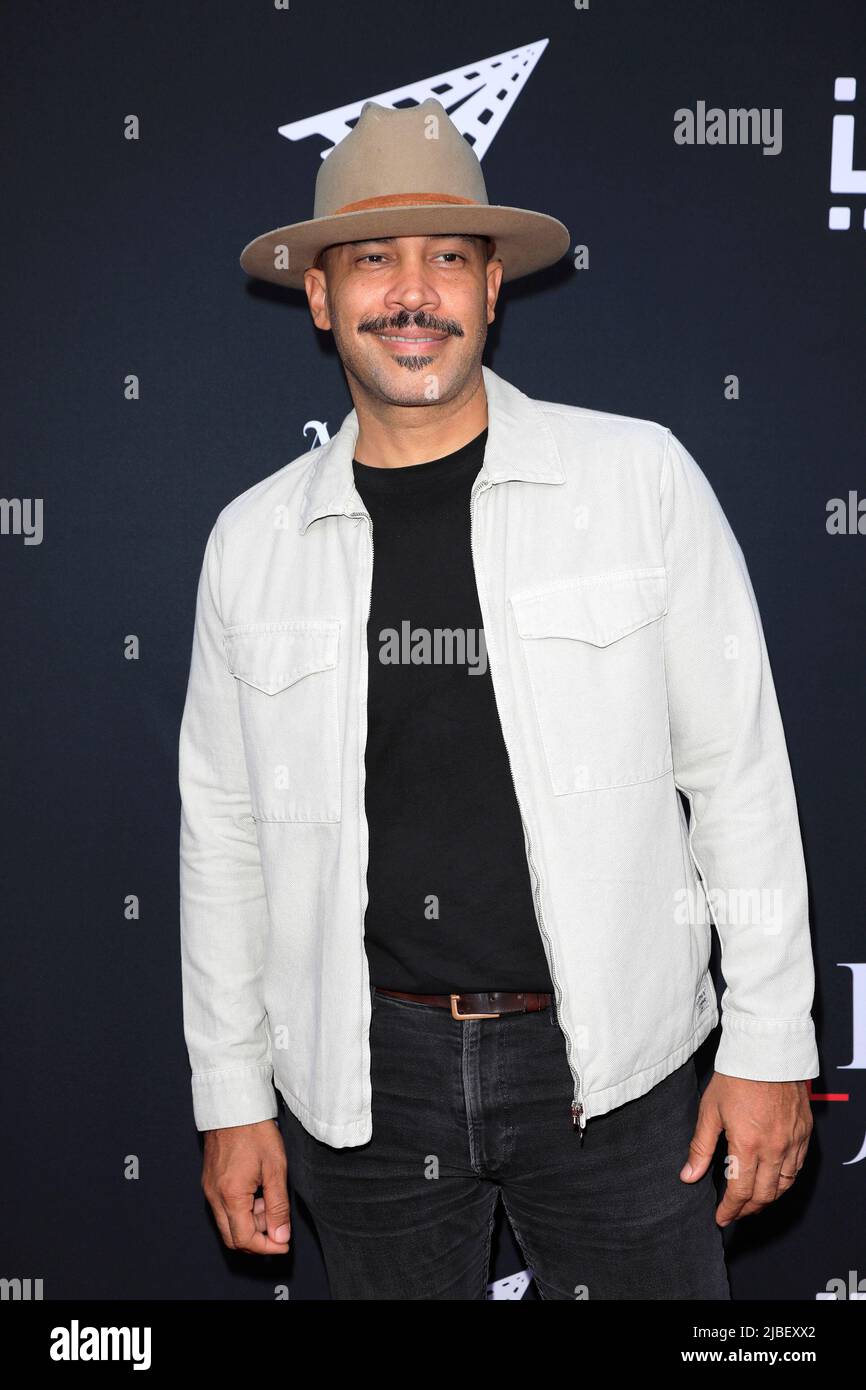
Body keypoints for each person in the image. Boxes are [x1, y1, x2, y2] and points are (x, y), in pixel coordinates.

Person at [178, 98, 819, 1299]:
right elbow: (223, 841)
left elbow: (735, 777)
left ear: (490, 290)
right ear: (319, 296)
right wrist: (230, 1094)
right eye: (371, 259)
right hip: (361, 1080)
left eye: (445, 260)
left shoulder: (638, 480)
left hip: (620, 1073)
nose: (410, 292)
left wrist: (771, 1041)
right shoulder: (249, 542)